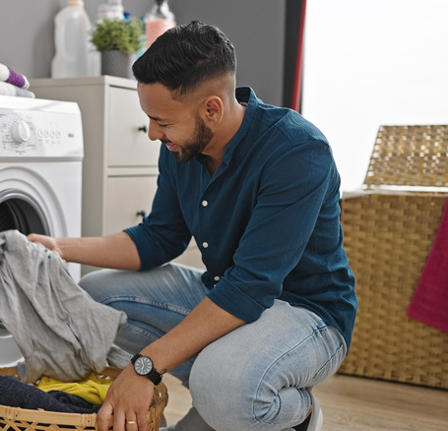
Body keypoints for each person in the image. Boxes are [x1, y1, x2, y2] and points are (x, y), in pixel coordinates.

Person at [28, 20, 357, 431]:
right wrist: (61, 248)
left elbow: (251, 286)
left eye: (161, 121)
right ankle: (224, 384)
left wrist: (145, 368)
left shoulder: (297, 151)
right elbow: (159, 237)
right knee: (91, 300)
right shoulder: (183, 144)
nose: (152, 133)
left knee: (223, 386)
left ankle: (293, 413)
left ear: (212, 109)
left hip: (309, 315)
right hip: (226, 292)